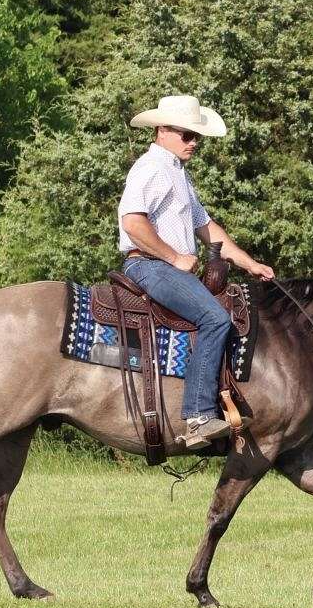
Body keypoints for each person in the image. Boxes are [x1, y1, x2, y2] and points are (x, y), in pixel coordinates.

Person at [118, 94, 275, 450]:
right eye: (186, 135)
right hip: (150, 266)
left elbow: (207, 228)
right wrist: (174, 257)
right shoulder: (152, 168)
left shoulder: (177, 173)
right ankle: (198, 417)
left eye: (196, 136)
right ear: (162, 130)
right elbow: (133, 223)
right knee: (215, 318)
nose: (193, 142)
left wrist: (249, 263)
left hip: (162, 266)